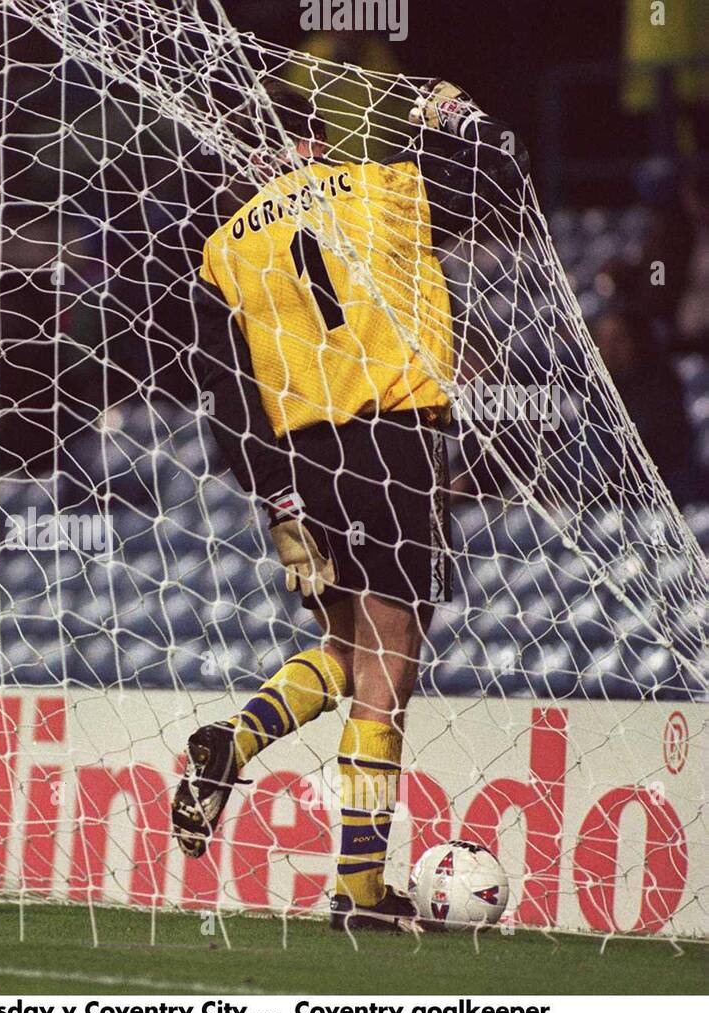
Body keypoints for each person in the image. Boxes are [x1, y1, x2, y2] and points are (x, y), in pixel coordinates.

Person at [171, 81, 529, 931]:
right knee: (388, 672)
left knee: (343, 645)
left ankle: (238, 737)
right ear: (314, 135)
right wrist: (456, 118)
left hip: (298, 464)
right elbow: (499, 183)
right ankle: (358, 888)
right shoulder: (380, 185)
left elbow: (230, 403)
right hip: (394, 444)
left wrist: (279, 506)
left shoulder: (223, 251)